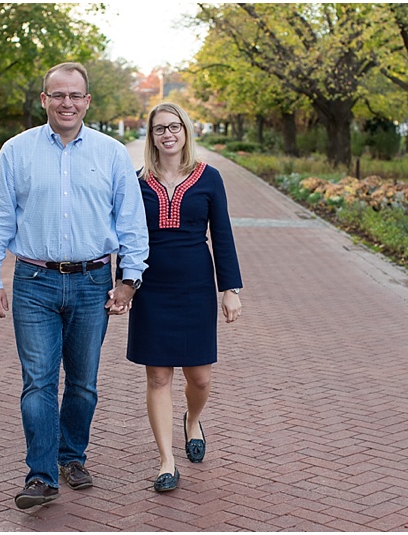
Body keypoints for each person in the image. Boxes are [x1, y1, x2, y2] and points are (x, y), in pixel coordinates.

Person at [0, 62, 149, 509]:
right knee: (38, 382)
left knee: (83, 383)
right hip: (34, 281)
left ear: (87, 101)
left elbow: (132, 222)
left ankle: (72, 457)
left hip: (93, 281)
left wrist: (129, 279)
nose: (67, 103)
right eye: (58, 95)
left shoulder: (112, 154)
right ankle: (41, 476)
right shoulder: (16, 152)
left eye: (75, 95)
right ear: (44, 100)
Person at [122, 102, 242, 492]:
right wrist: (125, 284)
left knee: (200, 378)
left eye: (174, 127)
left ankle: (192, 419)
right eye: (159, 129)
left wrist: (230, 290)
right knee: (157, 375)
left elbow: (222, 236)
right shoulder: (137, 182)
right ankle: (166, 461)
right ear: (151, 136)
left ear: (186, 131)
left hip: (195, 285)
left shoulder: (210, 179)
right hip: (152, 287)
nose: (167, 134)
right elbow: (127, 240)